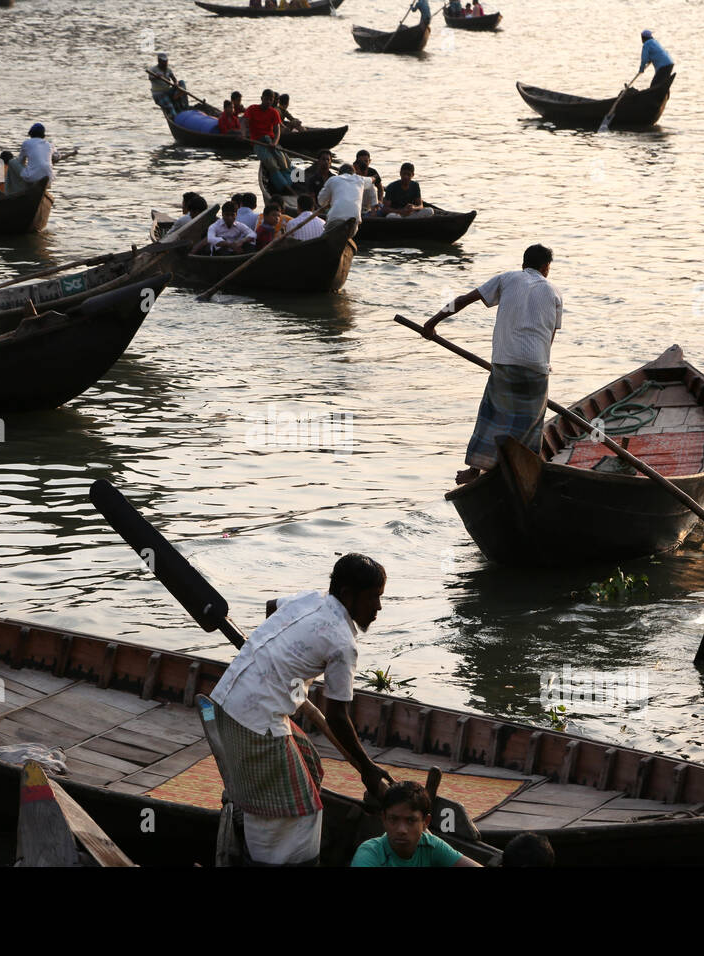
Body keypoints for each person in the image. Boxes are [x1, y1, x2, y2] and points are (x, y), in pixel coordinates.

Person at [208, 554, 392, 865]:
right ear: (348, 595)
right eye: (374, 597)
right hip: (254, 722)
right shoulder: (343, 643)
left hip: (227, 704)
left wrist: (278, 665)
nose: (378, 608)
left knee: (309, 763)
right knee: (305, 812)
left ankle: (251, 817)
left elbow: (271, 607)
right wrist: (368, 769)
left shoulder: (312, 598)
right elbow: (337, 717)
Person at [422, 243, 562, 486]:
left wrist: (432, 322)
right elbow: (549, 335)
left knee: (492, 414)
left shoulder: (507, 278)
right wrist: (543, 363)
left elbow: (465, 300)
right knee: (530, 421)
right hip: (537, 366)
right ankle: (527, 471)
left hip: (506, 362)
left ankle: (475, 471)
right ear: (546, 267)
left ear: (523, 264)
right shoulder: (555, 292)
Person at [351, 781, 481, 867]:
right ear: (383, 819)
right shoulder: (370, 854)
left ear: (426, 822)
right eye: (393, 819)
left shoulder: (430, 845)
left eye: (410, 821)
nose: (402, 830)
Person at [317, 163, 376, 236]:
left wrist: (330, 201)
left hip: (335, 220)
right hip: (353, 225)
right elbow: (373, 179)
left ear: (339, 173)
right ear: (353, 173)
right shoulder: (360, 179)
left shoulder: (333, 179)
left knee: (324, 236)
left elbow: (320, 201)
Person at [148, 53, 188, 118]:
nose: (165, 64)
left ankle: (177, 98)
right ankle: (176, 118)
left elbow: (174, 79)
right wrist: (156, 77)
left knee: (182, 82)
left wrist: (176, 83)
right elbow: (150, 78)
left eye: (166, 62)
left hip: (168, 91)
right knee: (170, 107)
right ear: (159, 61)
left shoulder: (168, 70)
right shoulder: (153, 69)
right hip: (159, 93)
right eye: (163, 62)